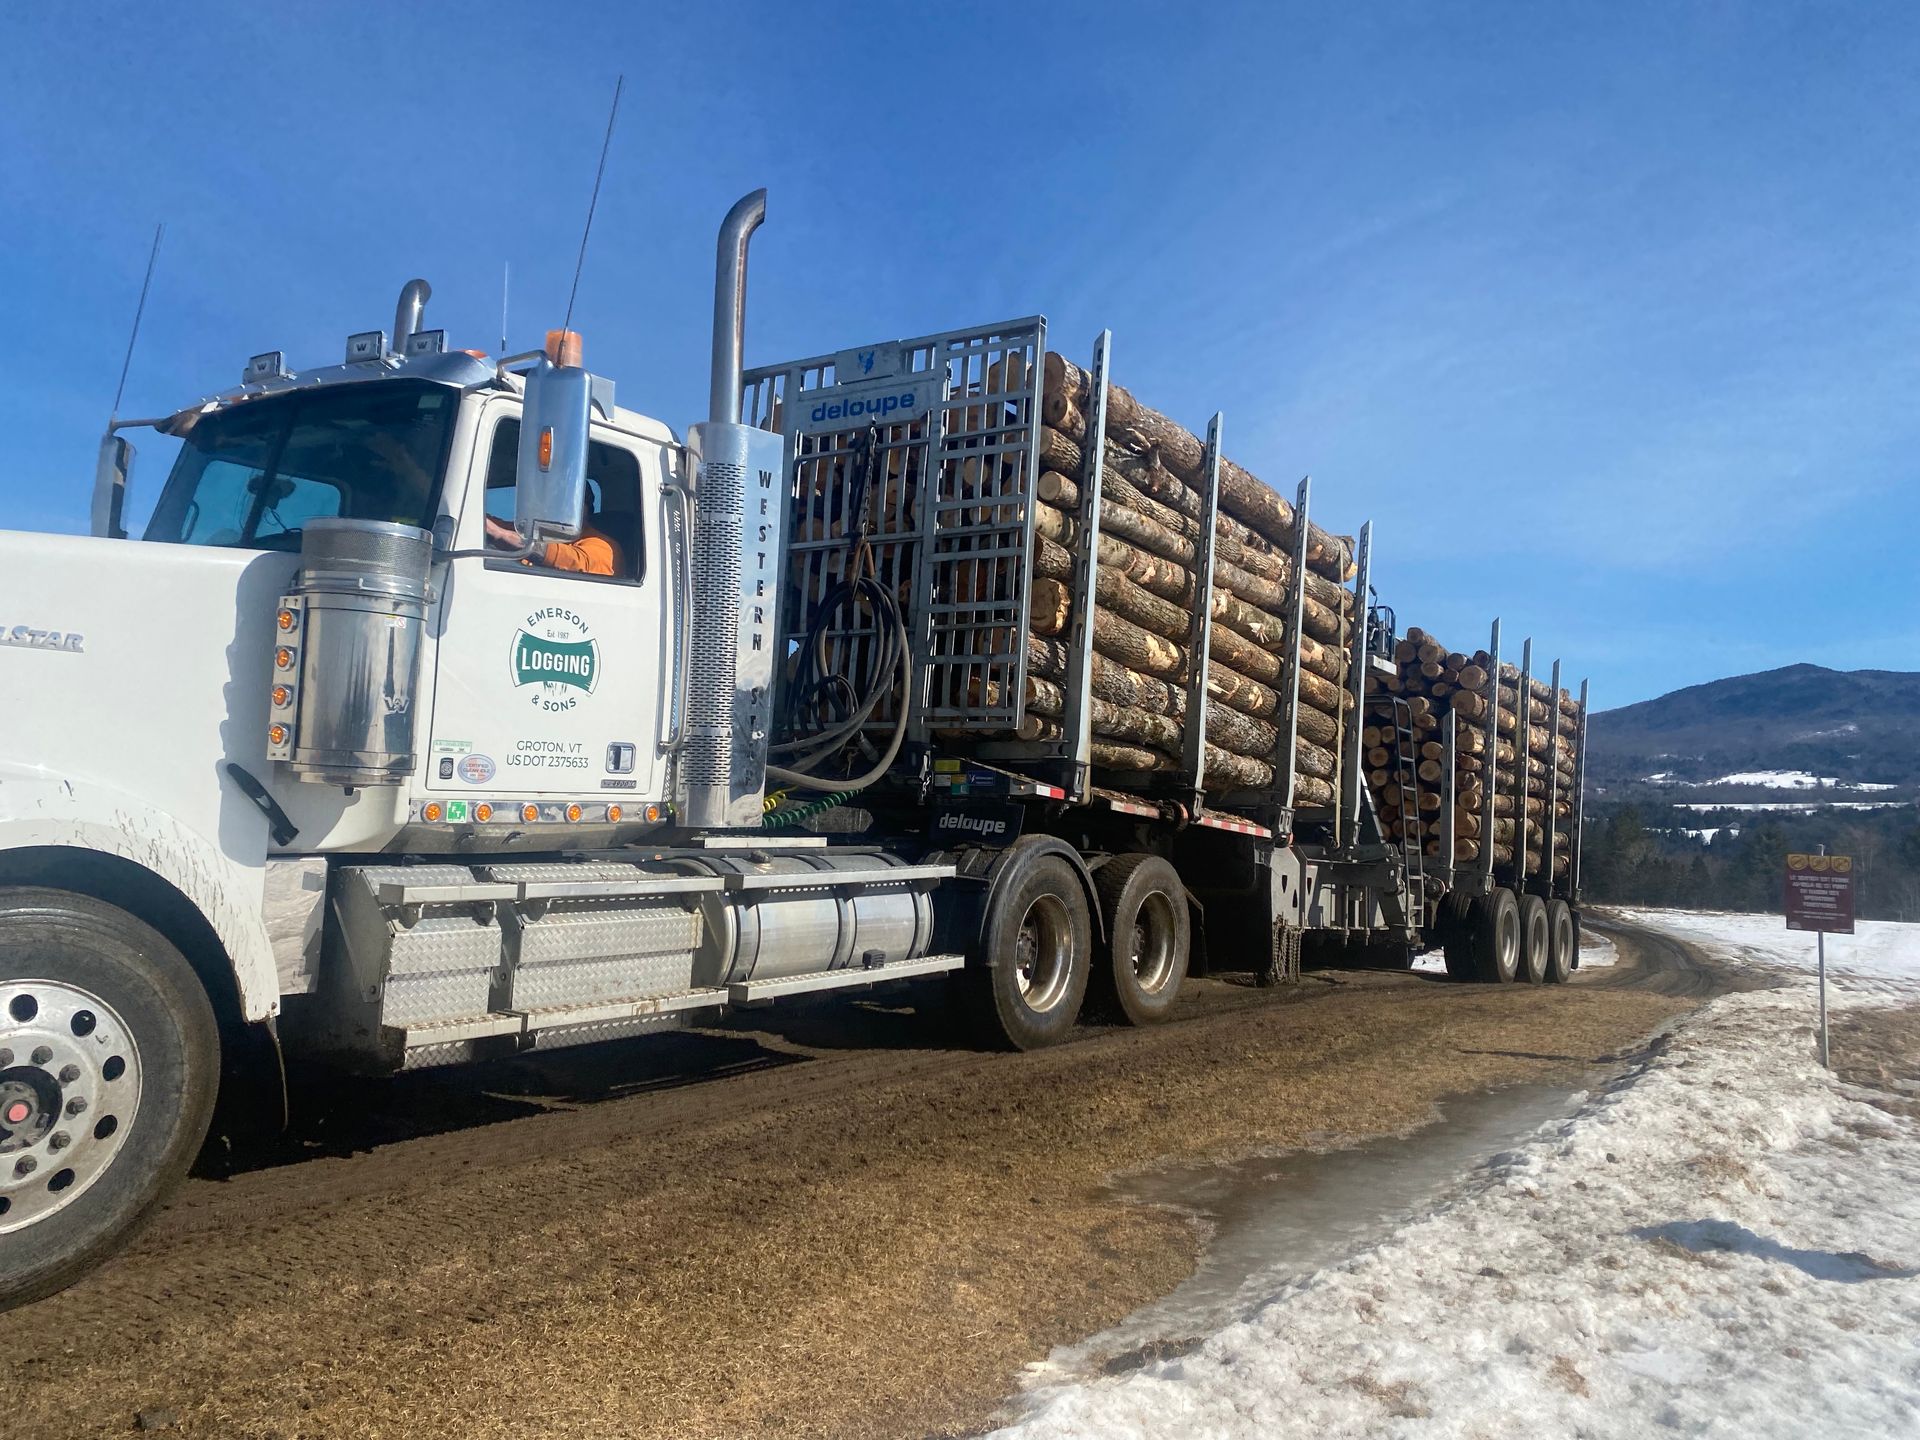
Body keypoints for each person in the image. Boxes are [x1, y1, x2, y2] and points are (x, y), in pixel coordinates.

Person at [484, 492, 620, 576]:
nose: (555, 507)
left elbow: (575, 561)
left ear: (587, 507)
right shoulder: (537, 532)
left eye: (567, 500)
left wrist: (501, 535)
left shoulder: (603, 545)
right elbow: (497, 526)